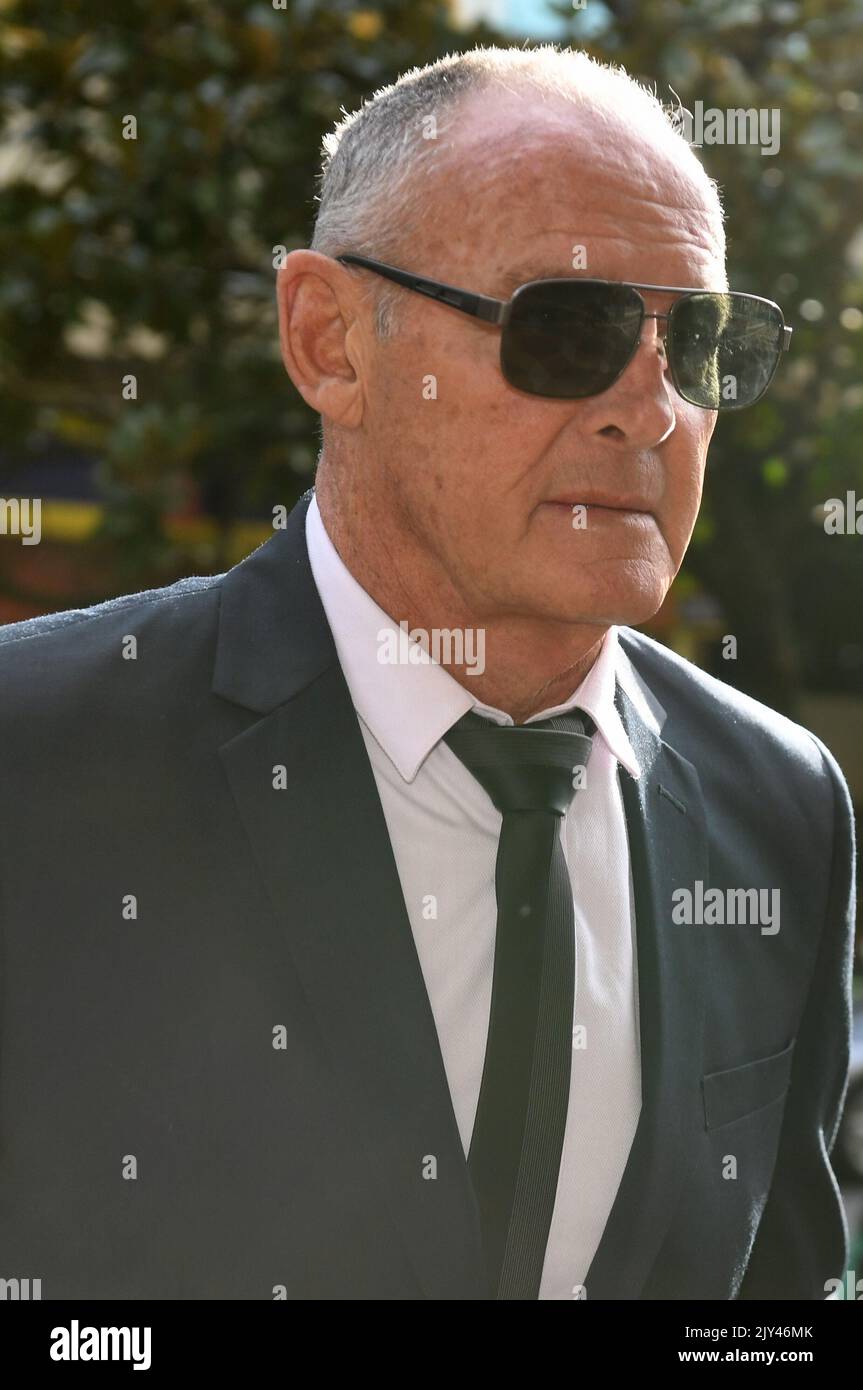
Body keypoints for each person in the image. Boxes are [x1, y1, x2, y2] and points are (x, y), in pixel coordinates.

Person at [0, 45, 854, 1300]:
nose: (650, 411)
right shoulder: (36, 754)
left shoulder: (775, 804)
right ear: (328, 340)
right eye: (566, 328)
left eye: (699, 343)